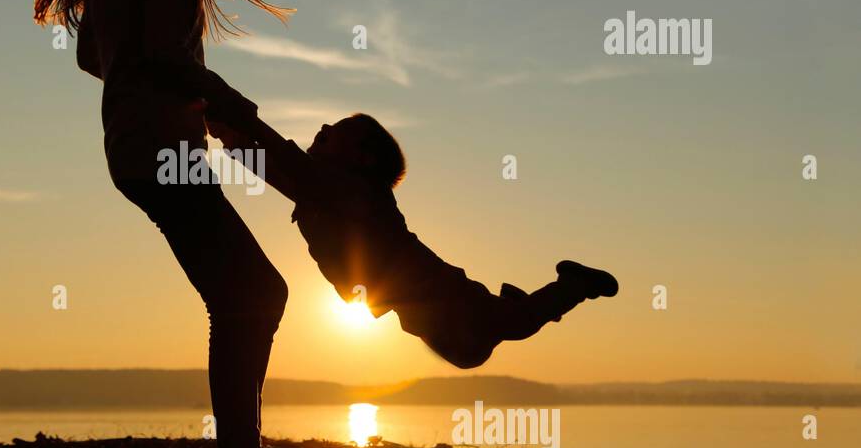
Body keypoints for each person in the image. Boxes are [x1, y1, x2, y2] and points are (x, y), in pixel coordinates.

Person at [33, 0, 327, 448]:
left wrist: (158, 86)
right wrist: (219, 96)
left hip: (131, 151)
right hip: (167, 150)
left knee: (247, 293)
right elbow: (166, 59)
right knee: (251, 293)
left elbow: (92, 57)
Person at [204, 108, 619, 369]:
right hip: (412, 309)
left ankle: (574, 284)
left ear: (362, 159)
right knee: (469, 353)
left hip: (438, 290)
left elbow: (287, 162)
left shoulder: (358, 191)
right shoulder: (318, 191)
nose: (326, 125)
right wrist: (227, 132)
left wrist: (244, 120)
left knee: (512, 325)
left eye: (340, 128)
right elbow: (274, 169)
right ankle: (512, 303)